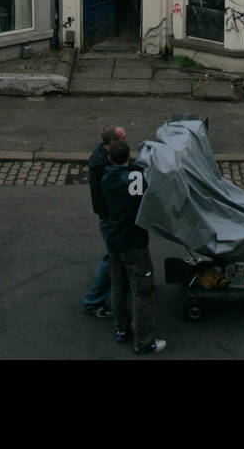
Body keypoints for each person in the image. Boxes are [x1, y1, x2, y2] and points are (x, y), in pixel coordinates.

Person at [102, 140, 166, 355]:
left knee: (119, 287)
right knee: (142, 291)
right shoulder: (137, 176)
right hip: (135, 242)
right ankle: (144, 341)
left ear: (110, 159)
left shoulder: (107, 179)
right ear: (129, 157)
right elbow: (148, 191)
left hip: (114, 240)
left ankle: (121, 328)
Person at [81, 125, 125, 317]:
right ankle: (93, 301)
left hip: (108, 215)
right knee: (111, 257)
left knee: (117, 254)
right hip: (111, 217)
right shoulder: (106, 168)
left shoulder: (100, 158)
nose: (126, 141)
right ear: (113, 143)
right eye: (123, 139)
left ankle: (123, 283)